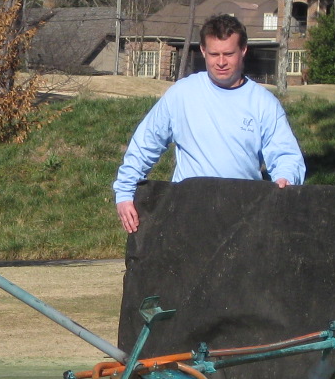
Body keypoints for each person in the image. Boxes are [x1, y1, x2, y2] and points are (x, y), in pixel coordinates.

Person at [113, 13, 306, 233]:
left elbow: (286, 156)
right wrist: (125, 193)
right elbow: (145, 145)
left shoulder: (264, 104)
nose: (221, 62)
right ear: (203, 51)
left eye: (228, 54)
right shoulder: (182, 94)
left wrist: (286, 179)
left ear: (243, 50)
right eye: (214, 54)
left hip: (243, 218)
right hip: (187, 216)